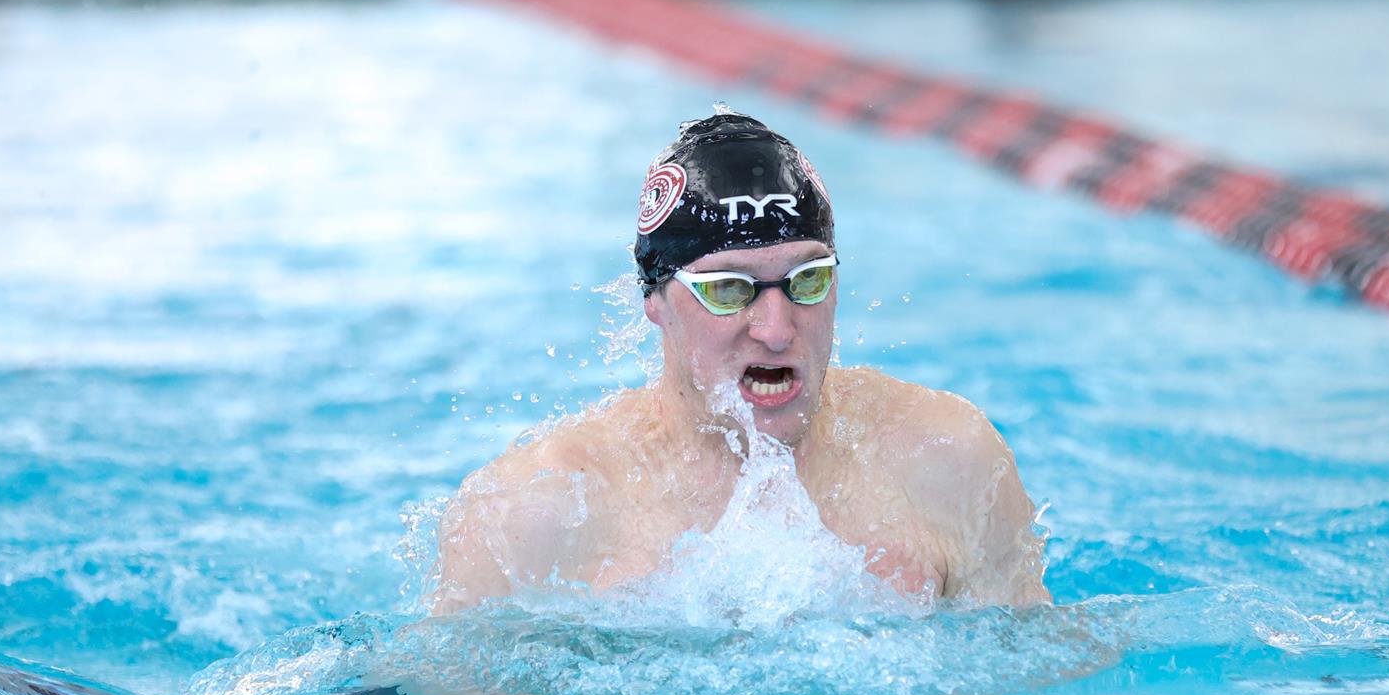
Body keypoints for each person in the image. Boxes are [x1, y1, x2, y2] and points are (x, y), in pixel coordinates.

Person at [431, 111, 1051, 613]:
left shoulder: (948, 461)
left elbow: (1024, 690)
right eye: (728, 289)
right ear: (655, 301)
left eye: (806, 281)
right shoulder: (536, 514)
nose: (777, 330)